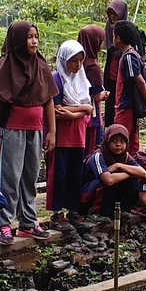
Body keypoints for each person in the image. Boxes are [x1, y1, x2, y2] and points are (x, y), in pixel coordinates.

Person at [0, 21, 56, 244]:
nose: (34, 41)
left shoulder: (41, 65)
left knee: (30, 176)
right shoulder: (5, 66)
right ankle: (3, 225)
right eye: (29, 37)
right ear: (17, 40)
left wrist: (51, 131)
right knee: (10, 177)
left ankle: (28, 222)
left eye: (36, 36)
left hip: (35, 130)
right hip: (12, 129)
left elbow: (48, 101)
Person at [48, 40, 92, 229]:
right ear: (64, 60)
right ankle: (57, 213)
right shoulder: (56, 79)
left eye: (81, 61)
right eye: (74, 61)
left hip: (78, 136)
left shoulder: (82, 80)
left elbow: (89, 110)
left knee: (76, 174)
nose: (78, 65)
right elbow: (58, 112)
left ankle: (73, 210)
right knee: (59, 174)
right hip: (61, 137)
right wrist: (83, 108)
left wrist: (76, 111)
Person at [79, 124, 146, 219]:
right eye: (114, 141)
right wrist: (129, 172)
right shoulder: (98, 155)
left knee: (133, 179)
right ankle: (95, 212)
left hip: (108, 194)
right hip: (87, 196)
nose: (118, 144)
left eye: (122, 141)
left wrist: (118, 166)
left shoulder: (125, 156)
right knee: (112, 180)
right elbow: (108, 180)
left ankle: (120, 209)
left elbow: (143, 173)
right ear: (107, 141)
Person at [111, 18, 146, 156]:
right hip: (128, 107)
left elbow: (139, 80)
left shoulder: (129, 57)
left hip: (126, 106)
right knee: (132, 141)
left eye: (113, 35)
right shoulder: (132, 54)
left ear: (118, 38)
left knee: (121, 140)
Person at [77, 24, 107, 152]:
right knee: (92, 149)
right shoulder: (93, 66)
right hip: (92, 114)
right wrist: (104, 94)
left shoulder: (75, 62)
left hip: (78, 112)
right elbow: (96, 95)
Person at [102, 0, 129, 127]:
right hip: (111, 74)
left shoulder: (129, 30)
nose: (112, 17)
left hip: (124, 77)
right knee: (110, 106)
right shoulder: (108, 28)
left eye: (115, 13)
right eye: (110, 13)